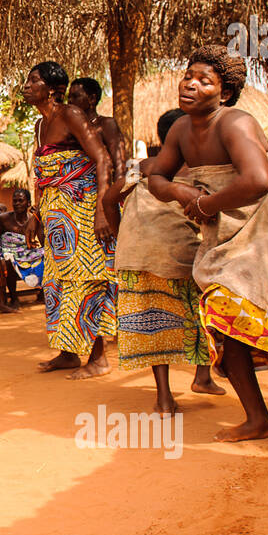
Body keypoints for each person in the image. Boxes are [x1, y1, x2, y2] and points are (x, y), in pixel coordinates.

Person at [146, 46, 268, 442]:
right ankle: (259, 419)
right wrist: (179, 190)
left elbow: (259, 180)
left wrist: (205, 202)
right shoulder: (179, 130)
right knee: (222, 321)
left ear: (223, 94)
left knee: (230, 306)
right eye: (188, 75)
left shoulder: (235, 123)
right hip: (229, 225)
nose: (190, 84)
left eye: (204, 80)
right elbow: (154, 177)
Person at [105, 107, 222, 414]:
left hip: (136, 256)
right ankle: (203, 376)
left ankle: (165, 398)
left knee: (153, 324)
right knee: (200, 313)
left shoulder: (140, 167)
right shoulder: (200, 171)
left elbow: (108, 199)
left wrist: (121, 237)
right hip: (181, 256)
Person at [23, 61, 116, 379]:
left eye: (33, 80)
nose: (26, 85)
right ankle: (68, 353)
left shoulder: (70, 115)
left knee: (87, 279)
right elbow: (43, 174)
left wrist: (103, 209)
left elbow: (102, 157)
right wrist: (36, 213)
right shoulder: (39, 125)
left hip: (82, 209)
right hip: (54, 214)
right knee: (57, 282)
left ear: (52, 89)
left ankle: (99, 358)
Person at [0, 187, 43, 309]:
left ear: (28, 203)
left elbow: (42, 241)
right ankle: (14, 298)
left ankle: (42, 293)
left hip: (27, 254)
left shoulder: (34, 220)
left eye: (20, 201)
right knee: (9, 259)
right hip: (6, 253)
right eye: (15, 201)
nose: (17, 204)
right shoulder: (3, 219)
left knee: (46, 254)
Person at [68, 76, 126, 181]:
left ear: (92, 99)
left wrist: (116, 194)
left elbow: (119, 165)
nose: (70, 101)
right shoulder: (70, 129)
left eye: (75, 96)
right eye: (69, 97)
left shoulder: (106, 124)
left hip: (99, 190)